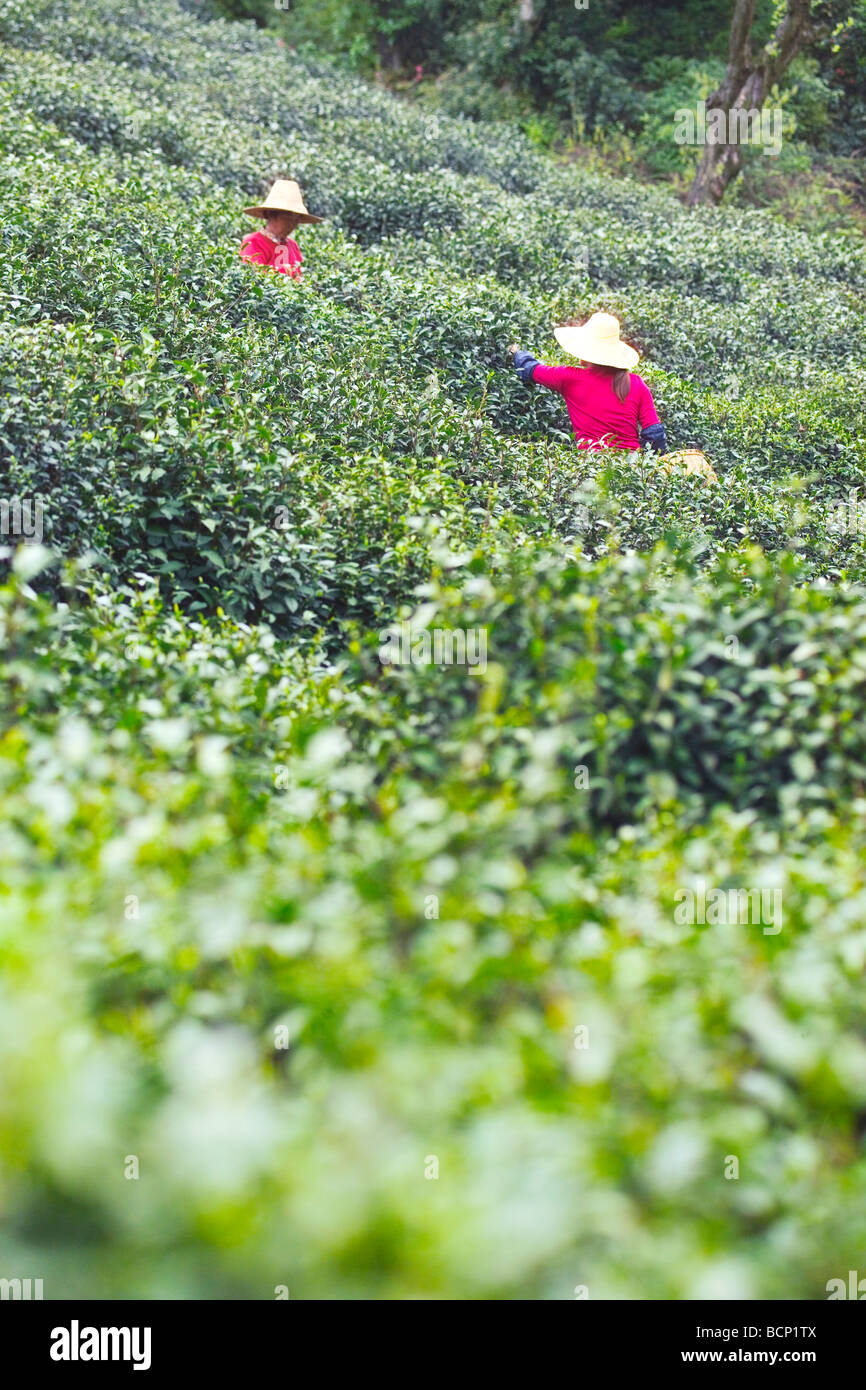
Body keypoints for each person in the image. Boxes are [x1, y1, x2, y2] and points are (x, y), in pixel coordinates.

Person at [507, 312, 666, 454]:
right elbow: (653, 434)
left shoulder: (570, 378)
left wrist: (516, 352)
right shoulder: (636, 383)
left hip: (590, 467)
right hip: (632, 470)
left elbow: (529, 369)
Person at [240, 179, 322, 278]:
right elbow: (255, 277)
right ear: (271, 214)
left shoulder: (293, 245)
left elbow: (299, 279)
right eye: (289, 217)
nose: (293, 223)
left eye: (297, 218)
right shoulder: (253, 242)